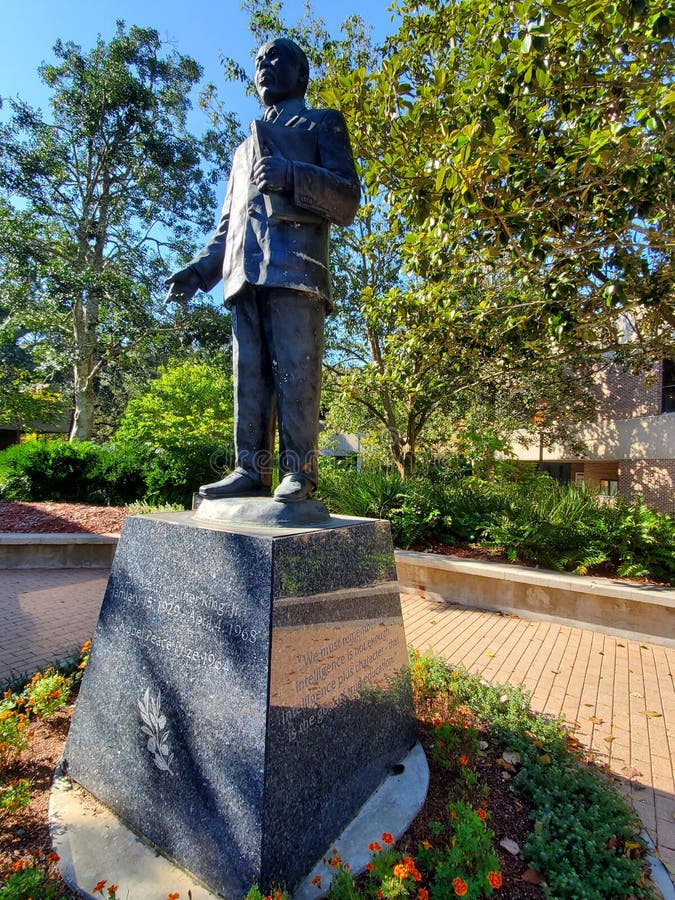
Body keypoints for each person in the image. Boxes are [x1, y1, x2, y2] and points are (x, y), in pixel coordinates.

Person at [165, 38, 360, 502]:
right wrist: (198, 272)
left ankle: (300, 472)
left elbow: (348, 199)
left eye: (275, 59)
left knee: (297, 374)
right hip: (242, 276)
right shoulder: (241, 153)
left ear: (301, 74)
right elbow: (227, 225)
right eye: (258, 61)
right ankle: (249, 470)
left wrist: (292, 175)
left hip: (295, 270)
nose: (264, 67)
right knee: (247, 376)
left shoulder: (321, 124)